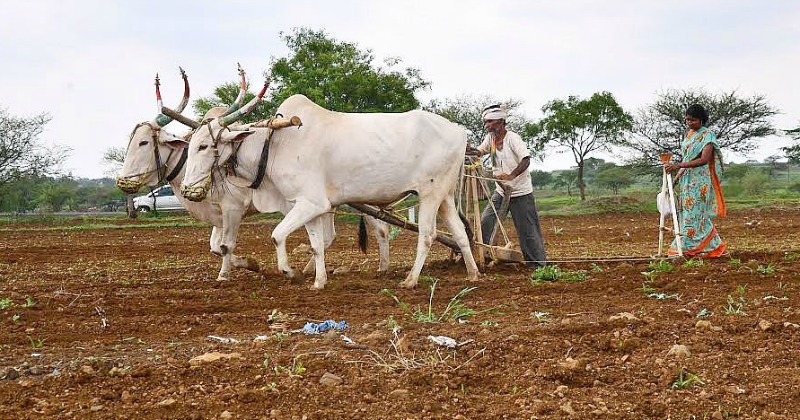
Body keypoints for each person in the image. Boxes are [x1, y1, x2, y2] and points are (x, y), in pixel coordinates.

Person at [466, 104, 547, 268]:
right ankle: (484, 255)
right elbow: (480, 152)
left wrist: (511, 176)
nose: (487, 125)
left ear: (501, 122)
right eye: (486, 122)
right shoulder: (490, 139)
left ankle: (537, 265)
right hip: (501, 192)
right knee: (486, 222)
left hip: (520, 192)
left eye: (490, 122)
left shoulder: (513, 139)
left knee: (528, 231)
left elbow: (526, 160)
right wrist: (467, 150)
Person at [664, 104, 727, 257]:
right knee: (686, 213)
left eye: (693, 120)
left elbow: (704, 159)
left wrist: (678, 165)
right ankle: (708, 246)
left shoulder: (708, 136)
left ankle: (690, 246)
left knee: (696, 213)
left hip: (700, 181)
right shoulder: (689, 135)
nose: (690, 123)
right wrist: (676, 178)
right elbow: (687, 158)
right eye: (687, 120)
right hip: (687, 180)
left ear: (701, 119)